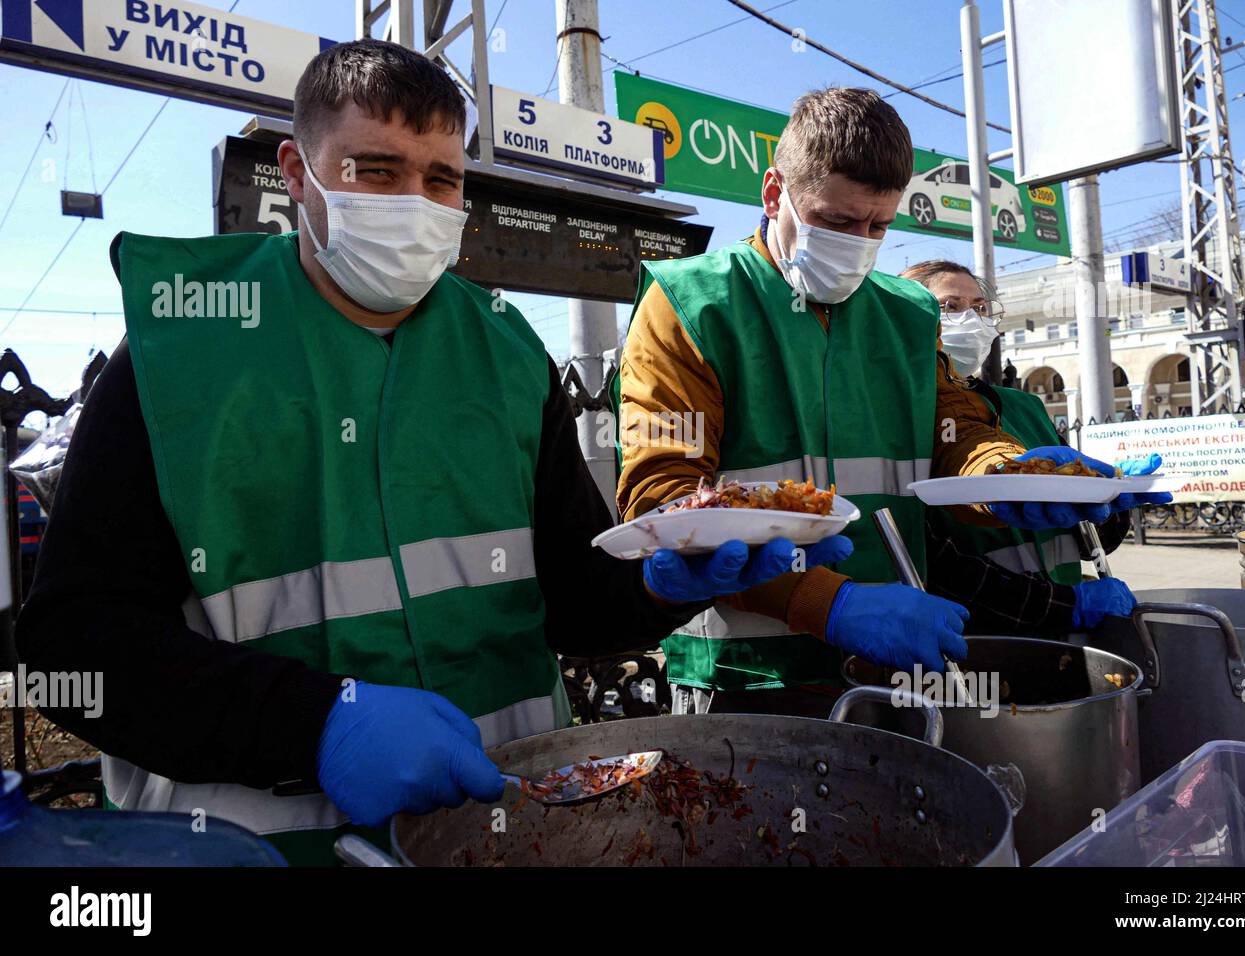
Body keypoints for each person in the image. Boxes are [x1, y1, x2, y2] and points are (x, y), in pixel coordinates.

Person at [14, 39, 850, 865]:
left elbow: (569, 598)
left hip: (505, 826)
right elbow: (71, 646)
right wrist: (314, 723)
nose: (415, 202)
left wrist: (662, 580)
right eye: (375, 171)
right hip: (258, 851)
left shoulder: (508, 355)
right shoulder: (181, 352)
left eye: (441, 179)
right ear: (297, 174)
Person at [616, 87, 1169, 718]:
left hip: (901, 660)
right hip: (747, 678)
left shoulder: (907, 313)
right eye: (836, 222)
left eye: (879, 225)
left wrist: (1004, 474)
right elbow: (662, 494)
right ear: (775, 195)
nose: (859, 242)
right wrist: (828, 603)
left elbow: (954, 430)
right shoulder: (689, 305)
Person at [901, 260, 1142, 636]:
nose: (971, 320)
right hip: (976, 635)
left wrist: (1110, 500)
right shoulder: (904, 411)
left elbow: (1091, 541)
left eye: (980, 308)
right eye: (950, 306)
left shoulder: (1023, 406)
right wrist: (1063, 607)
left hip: (1064, 633)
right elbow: (935, 561)